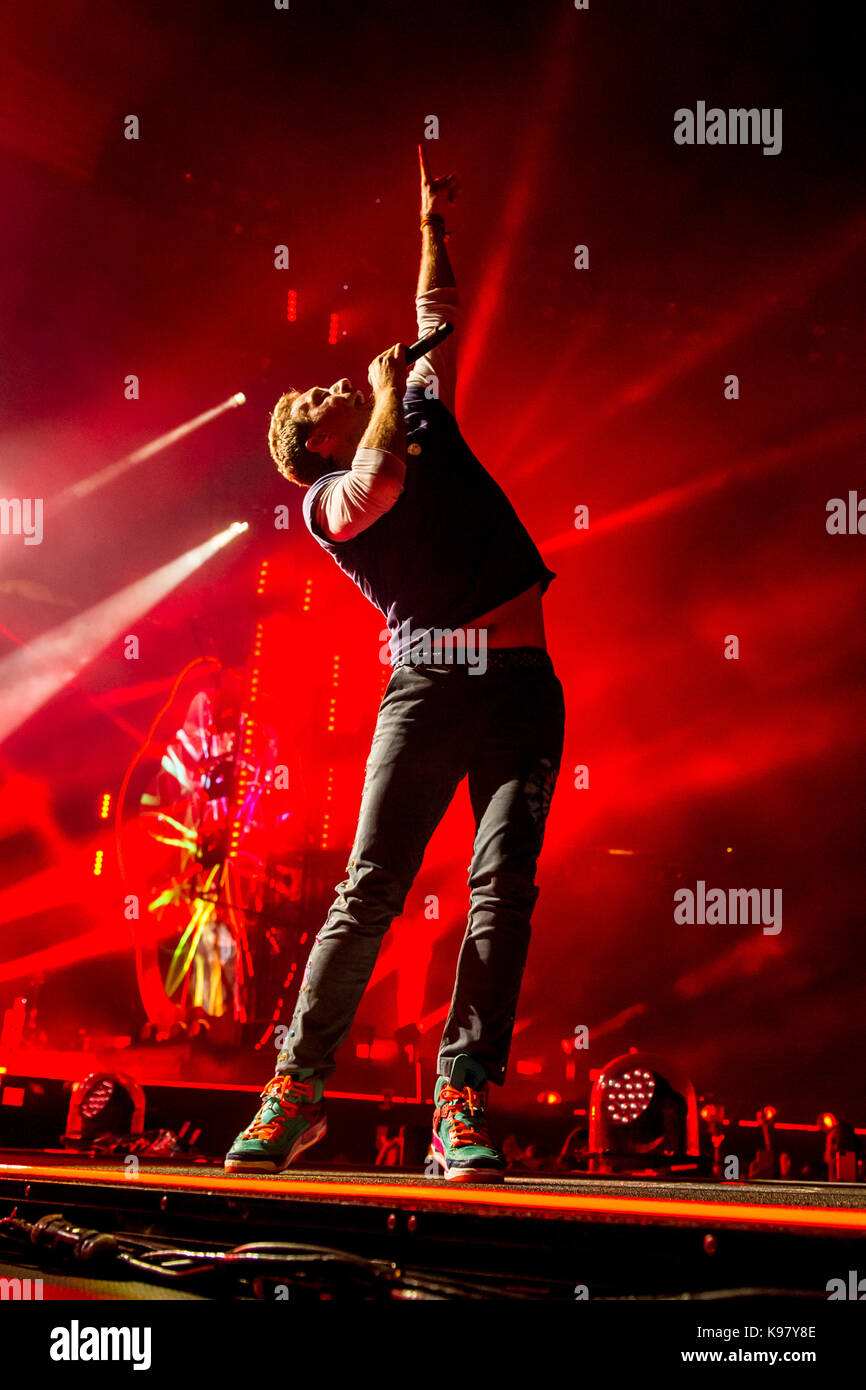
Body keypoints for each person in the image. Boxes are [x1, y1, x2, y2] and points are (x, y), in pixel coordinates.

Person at [225, 148, 565, 1182]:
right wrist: (376, 391)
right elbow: (373, 484)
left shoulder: (418, 410)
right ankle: (295, 1088)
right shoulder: (325, 501)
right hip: (426, 687)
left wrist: (430, 226)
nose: (342, 383)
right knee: (370, 885)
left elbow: (436, 311)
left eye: (342, 385)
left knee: (501, 887)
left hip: (518, 685)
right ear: (309, 443)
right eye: (319, 398)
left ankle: (457, 1102)